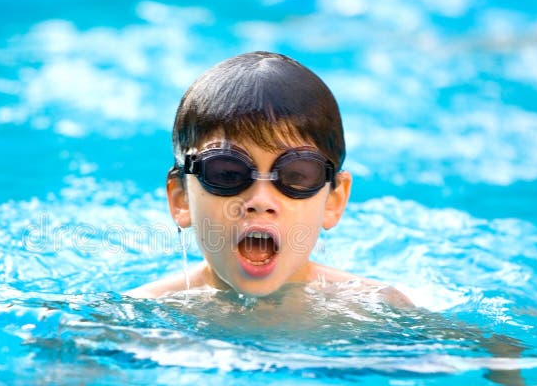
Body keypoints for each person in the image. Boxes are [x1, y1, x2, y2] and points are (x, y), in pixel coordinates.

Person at [126, 51, 409, 305]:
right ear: (182, 198)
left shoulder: (379, 309)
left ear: (334, 200)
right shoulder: (139, 317)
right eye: (227, 173)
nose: (260, 201)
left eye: (296, 175)